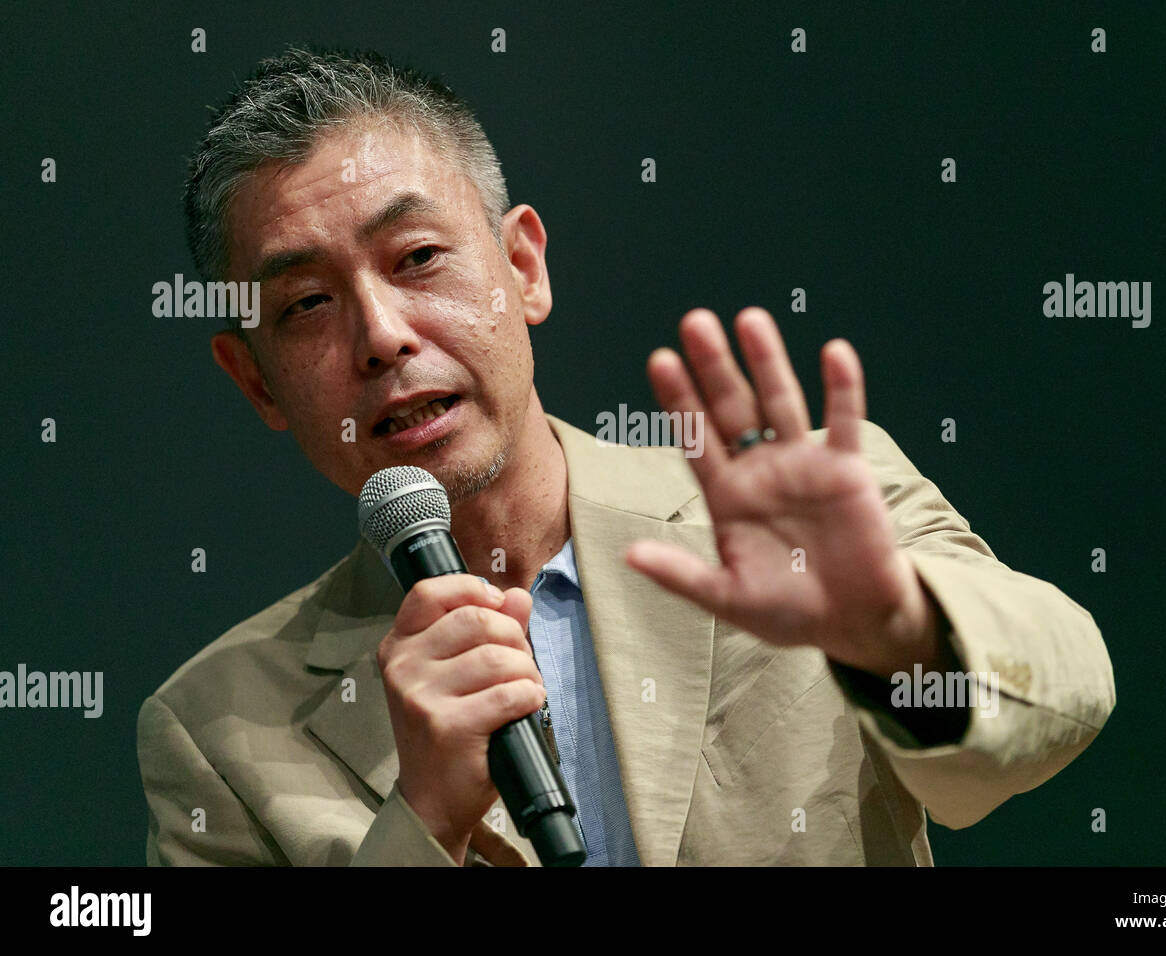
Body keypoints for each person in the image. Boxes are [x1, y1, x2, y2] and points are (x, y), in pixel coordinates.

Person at [137, 46, 1116, 866]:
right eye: (307, 303)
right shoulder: (217, 729)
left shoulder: (806, 514)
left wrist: (897, 631)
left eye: (417, 258)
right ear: (255, 378)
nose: (382, 334)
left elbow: (1066, 697)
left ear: (523, 266)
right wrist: (423, 820)